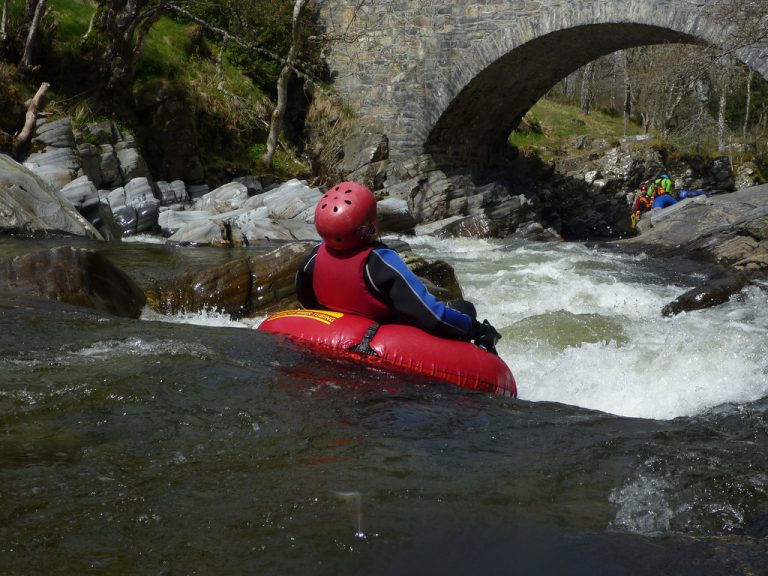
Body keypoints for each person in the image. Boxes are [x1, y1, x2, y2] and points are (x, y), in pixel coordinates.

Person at [295, 181, 502, 353]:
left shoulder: (315, 256)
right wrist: (478, 329)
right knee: (464, 308)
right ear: (370, 227)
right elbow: (434, 316)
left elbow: (305, 298)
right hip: (382, 337)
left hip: (337, 332)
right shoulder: (380, 262)